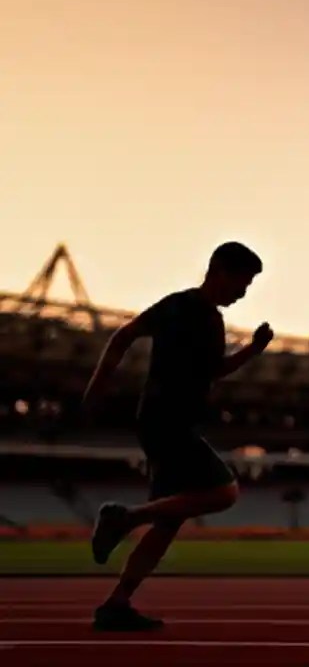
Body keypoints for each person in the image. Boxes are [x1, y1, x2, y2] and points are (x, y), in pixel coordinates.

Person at [81, 241, 274, 631]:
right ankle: (124, 517)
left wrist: (253, 350)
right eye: (243, 282)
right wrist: (98, 384)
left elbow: (208, 369)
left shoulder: (197, 313)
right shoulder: (191, 309)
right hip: (167, 421)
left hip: (164, 420)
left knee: (171, 518)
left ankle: (116, 604)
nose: (243, 292)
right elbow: (125, 336)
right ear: (219, 271)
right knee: (224, 493)